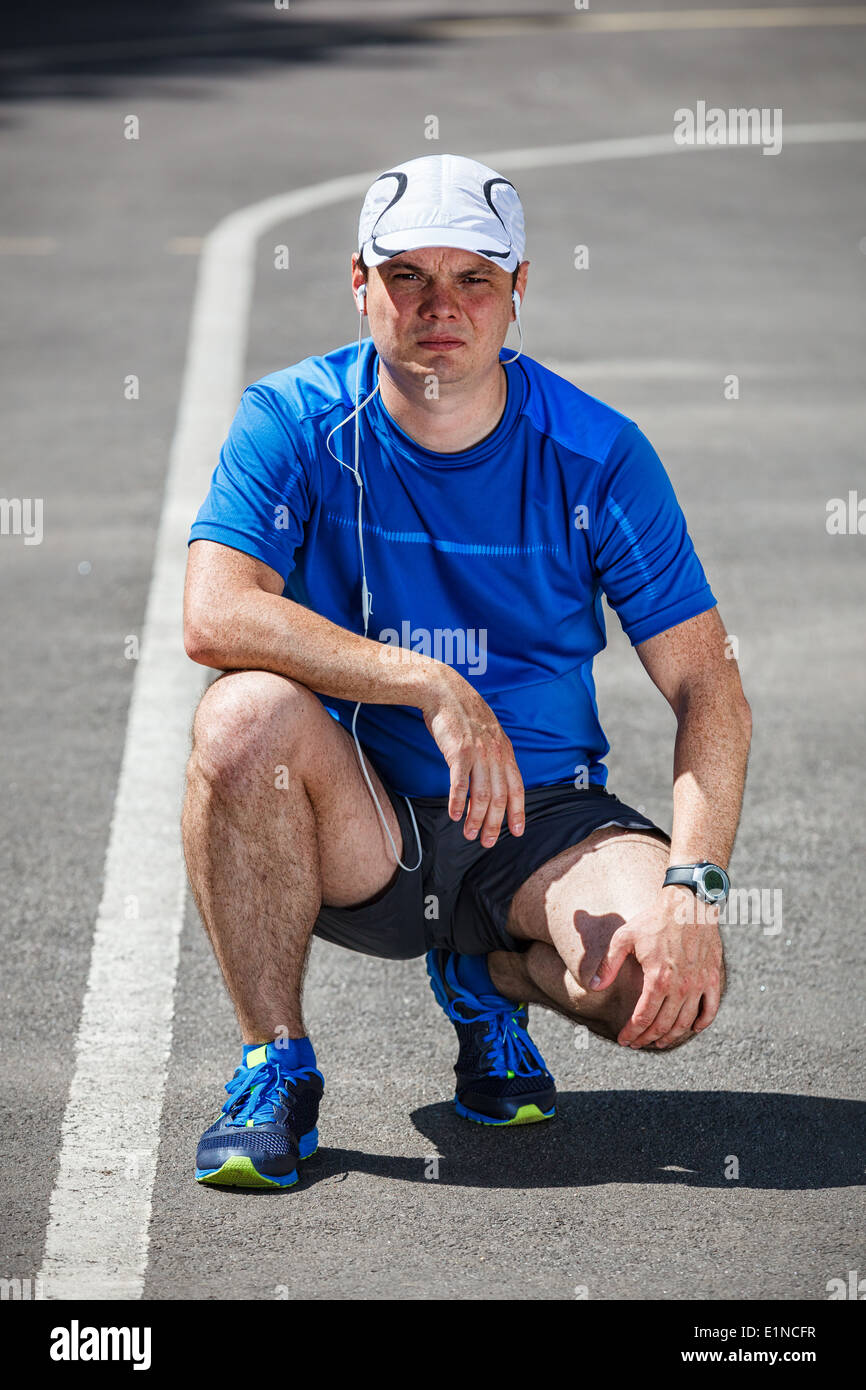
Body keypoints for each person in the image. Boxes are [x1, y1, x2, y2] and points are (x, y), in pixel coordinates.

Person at [182, 153, 751, 1189]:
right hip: (370, 820)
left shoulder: (596, 453)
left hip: (543, 821)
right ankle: (276, 1059)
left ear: (517, 290)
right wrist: (426, 684)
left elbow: (706, 684)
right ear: (359, 284)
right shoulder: (294, 421)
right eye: (407, 276)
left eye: (473, 279)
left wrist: (692, 887)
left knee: (659, 995)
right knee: (238, 716)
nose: (440, 305)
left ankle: (483, 974)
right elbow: (213, 611)